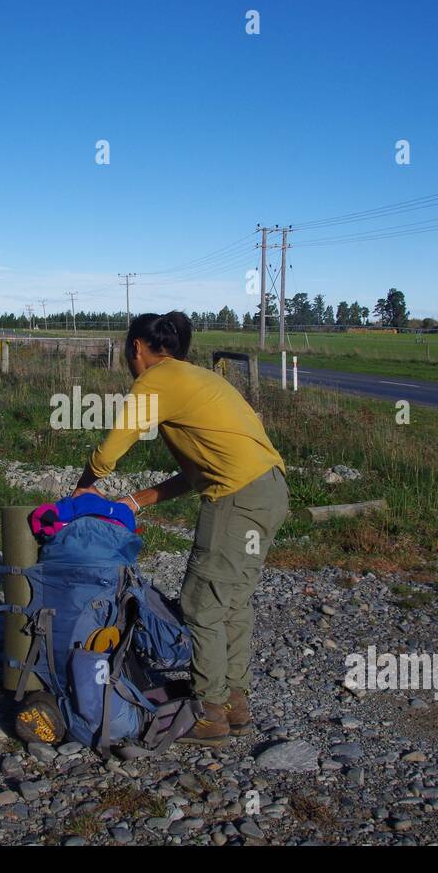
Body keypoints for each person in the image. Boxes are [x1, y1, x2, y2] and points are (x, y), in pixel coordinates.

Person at [73, 311, 289, 745]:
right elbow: (195, 473)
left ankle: (209, 715)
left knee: (199, 603)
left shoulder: (155, 381)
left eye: (126, 351)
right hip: (270, 490)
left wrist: (83, 486)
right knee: (231, 601)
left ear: (136, 348)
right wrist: (135, 501)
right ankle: (233, 702)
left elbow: (113, 446)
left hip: (237, 495)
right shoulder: (196, 379)